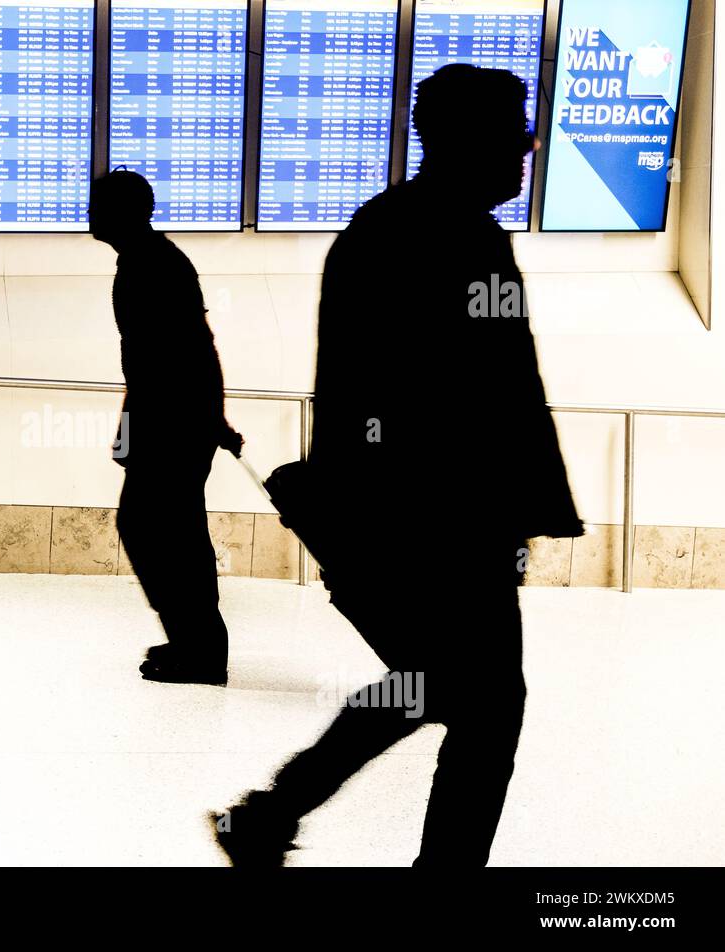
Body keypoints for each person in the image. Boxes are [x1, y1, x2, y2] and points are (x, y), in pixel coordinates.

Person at [214, 65, 584, 864]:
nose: (525, 155)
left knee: (435, 687)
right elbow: (495, 390)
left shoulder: (381, 227)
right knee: (485, 706)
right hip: (444, 524)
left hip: (397, 520)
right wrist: (520, 511)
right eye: (517, 138)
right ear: (469, 141)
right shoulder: (458, 239)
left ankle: (272, 815)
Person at [88, 169, 243, 686]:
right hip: (162, 417)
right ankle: (191, 639)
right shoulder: (144, 260)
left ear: (125, 212)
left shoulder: (153, 264)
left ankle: (199, 649)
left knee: (163, 532)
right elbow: (159, 356)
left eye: (99, 204)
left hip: (172, 422)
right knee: (164, 530)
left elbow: (192, 347)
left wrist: (209, 419)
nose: (91, 213)